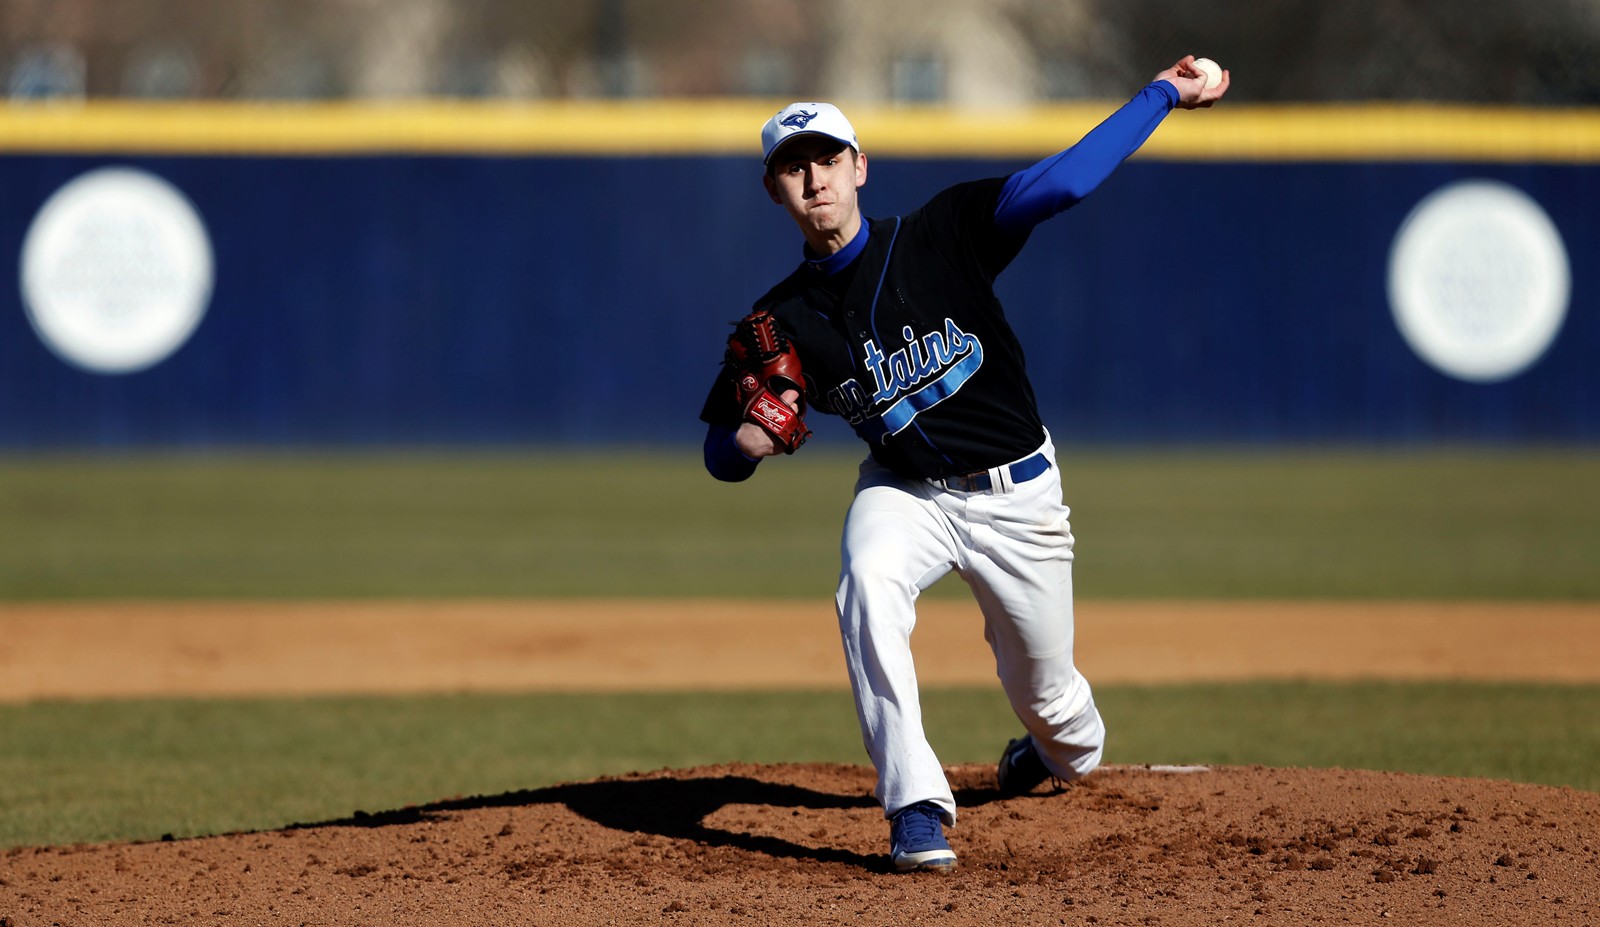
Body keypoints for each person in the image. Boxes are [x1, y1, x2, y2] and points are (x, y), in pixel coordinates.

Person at [699, 56, 1230, 873]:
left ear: (859, 167)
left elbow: (1064, 185)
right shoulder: (781, 319)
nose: (814, 180)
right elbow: (717, 454)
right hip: (905, 491)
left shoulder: (944, 233)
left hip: (1019, 494)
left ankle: (1044, 755)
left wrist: (1162, 94)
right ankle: (915, 805)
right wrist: (744, 444)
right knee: (865, 584)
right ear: (775, 190)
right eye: (793, 168)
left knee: (1060, 718)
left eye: (827, 159)